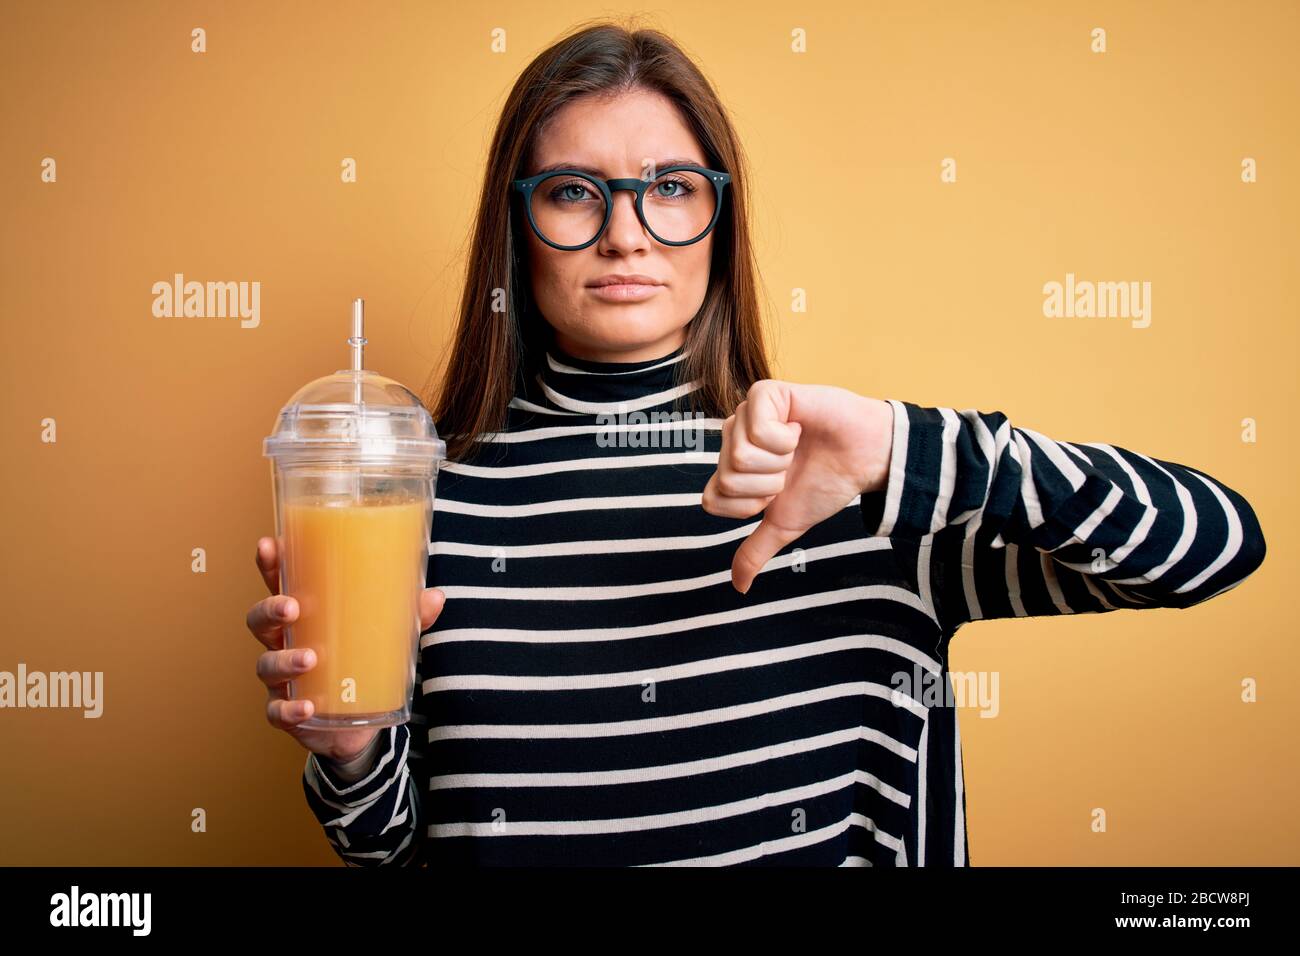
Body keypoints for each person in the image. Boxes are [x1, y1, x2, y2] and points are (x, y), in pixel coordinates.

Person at [244, 21, 1267, 867]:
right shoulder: (416, 503)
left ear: (720, 220)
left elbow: (1214, 549)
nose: (627, 234)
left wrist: (903, 442)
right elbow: (395, 849)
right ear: (516, 229)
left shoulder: (856, 480)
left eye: (672, 187)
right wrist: (352, 752)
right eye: (572, 191)